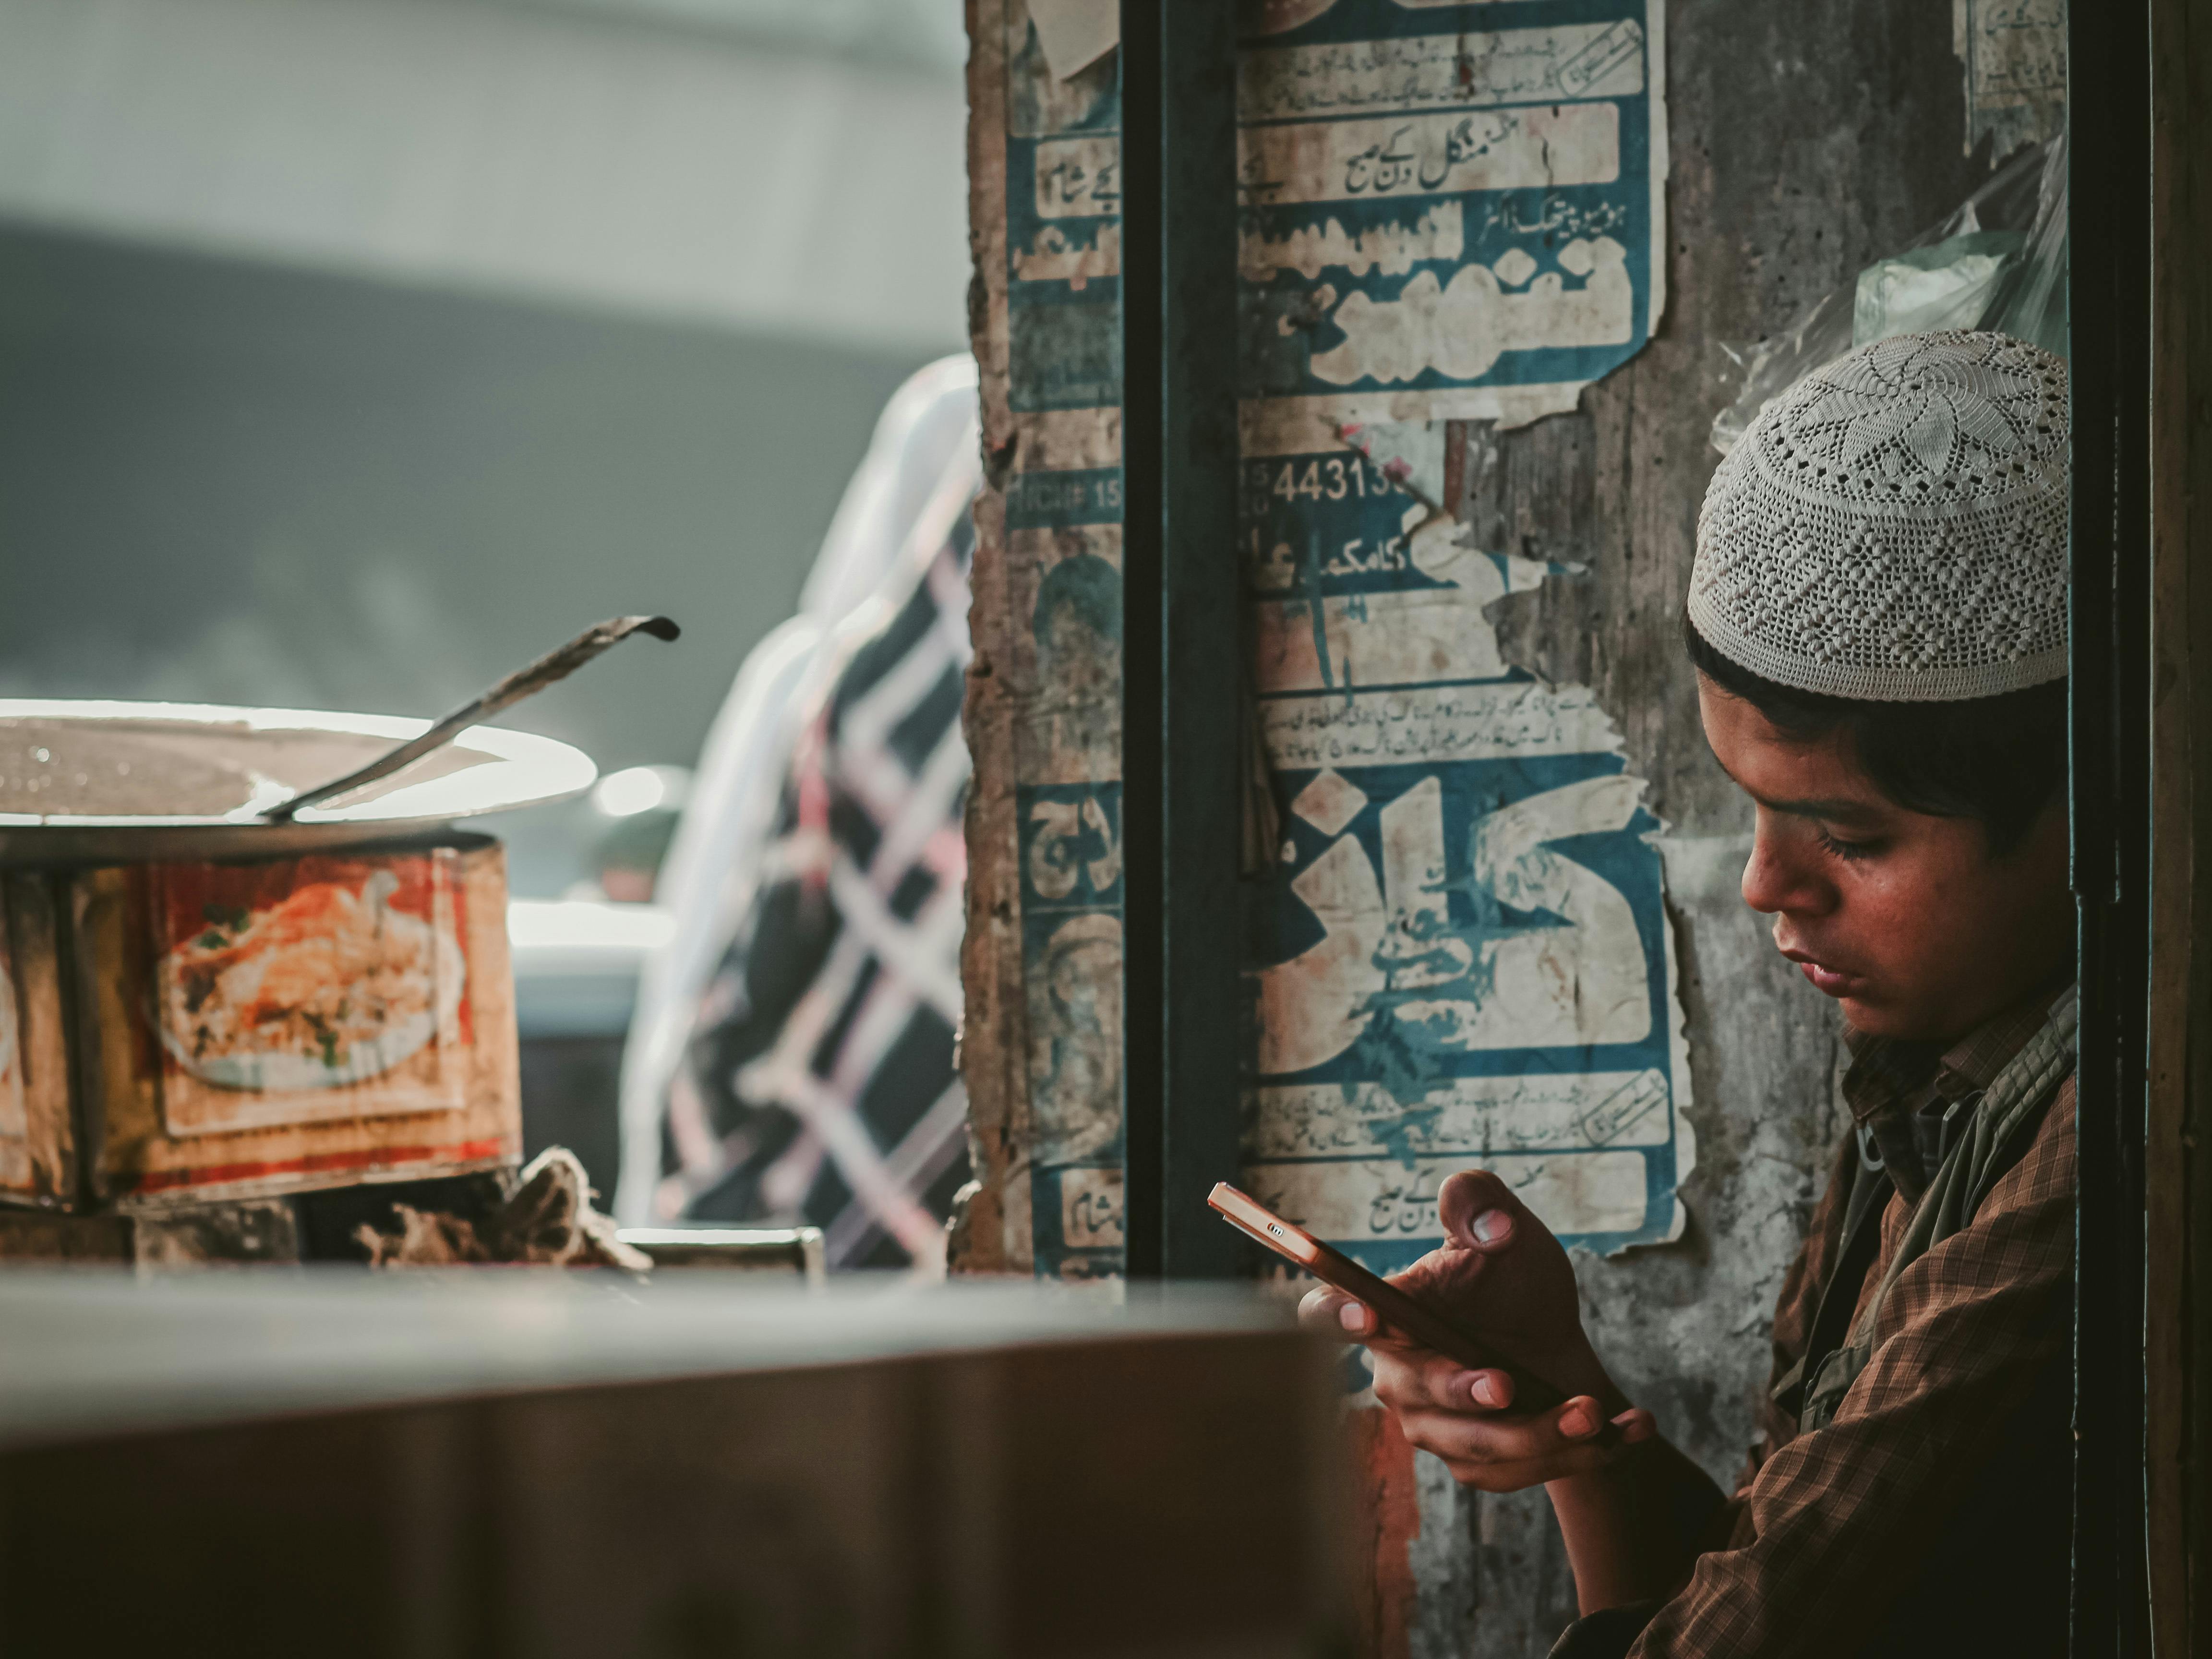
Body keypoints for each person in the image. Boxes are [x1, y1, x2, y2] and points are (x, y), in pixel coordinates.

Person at [1301, 331, 2076, 1657]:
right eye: (1754, 812)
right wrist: (1570, 1420)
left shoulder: (2095, 1146)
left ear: (2094, 804)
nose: (1767, 886)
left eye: (1853, 838)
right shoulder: (1929, 1088)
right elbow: (1767, 1578)